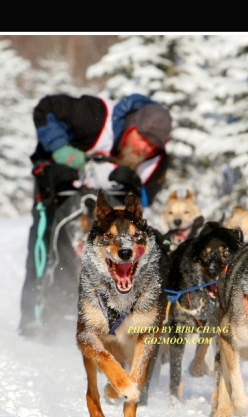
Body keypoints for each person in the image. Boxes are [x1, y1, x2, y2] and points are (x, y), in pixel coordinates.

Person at [18, 93, 173, 339]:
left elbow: (144, 199)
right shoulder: (94, 116)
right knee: (45, 245)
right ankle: (33, 322)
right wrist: (63, 151)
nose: (143, 149)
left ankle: (101, 320)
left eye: (151, 146)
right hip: (56, 188)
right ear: (131, 125)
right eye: (141, 138)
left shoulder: (157, 161)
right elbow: (45, 109)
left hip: (108, 211)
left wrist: (132, 186)